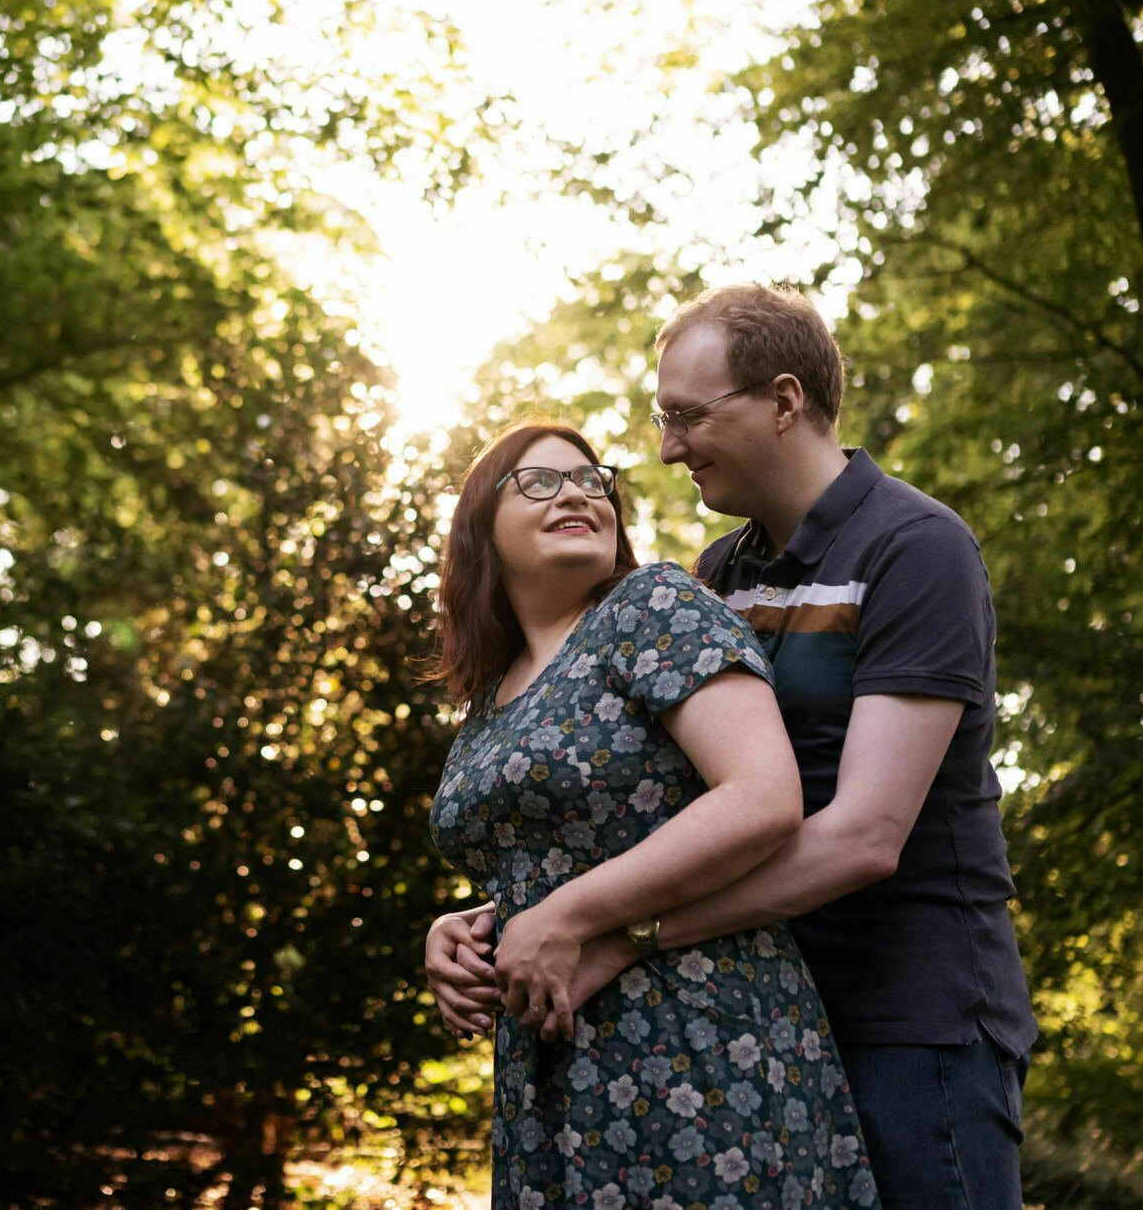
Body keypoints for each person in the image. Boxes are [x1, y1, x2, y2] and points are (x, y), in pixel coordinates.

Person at [430, 286, 1036, 1209]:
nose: (668, 448)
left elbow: (863, 834)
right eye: (661, 421)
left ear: (784, 402)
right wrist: (495, 922)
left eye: (685, 416)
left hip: (912, 1015)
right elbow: (641, 807)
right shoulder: (723, 573)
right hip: (756, 999)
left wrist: (621, 934)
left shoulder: (916, 548)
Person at [424, 419, 879, 1210]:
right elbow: (596, 843)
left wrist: (562, 914)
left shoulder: (652, 605)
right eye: (538, 480)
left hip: (695, 1037)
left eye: (592, 479)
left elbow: (763, 796)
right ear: (479, 528)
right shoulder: (489, 694)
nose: (575, 490)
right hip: (553, 1073)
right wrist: (479, 927)